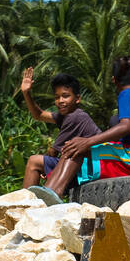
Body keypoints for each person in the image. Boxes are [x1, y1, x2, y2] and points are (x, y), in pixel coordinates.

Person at [47, 57, 130, 194]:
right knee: (76, 147)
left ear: (114, 80)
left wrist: (88, 141)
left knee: (78, 148)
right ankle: (49, 190)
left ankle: (54, 191)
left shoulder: (126, 94)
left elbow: (125, 127)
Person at [19, 68, 101, 197]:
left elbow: (53, 152)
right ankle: (28, 202)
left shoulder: (76, 117)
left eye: (65, 96)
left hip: (91, 167)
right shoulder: (66, 115)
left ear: (77, 98)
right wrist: (26, 92)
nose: (61, 101)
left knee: (34, 161)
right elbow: (39, 115)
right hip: (80, 165)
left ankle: (25, 202)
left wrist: (45, 167)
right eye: (57, 97)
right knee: (38, 162)